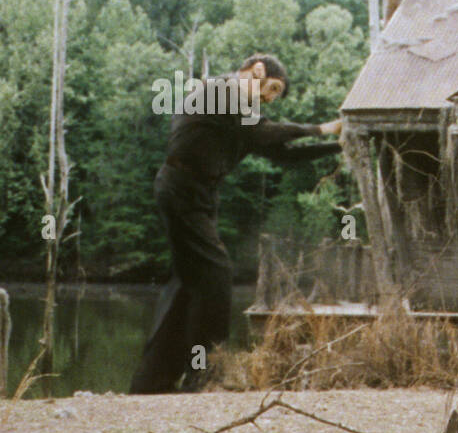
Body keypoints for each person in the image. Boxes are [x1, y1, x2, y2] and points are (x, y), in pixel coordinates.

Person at [129, 54, 343, 394]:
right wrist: (322, 128)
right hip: (182, 188)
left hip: (196, 194)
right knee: (216, 275)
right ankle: (204, 373)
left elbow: (280, 152)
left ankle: (151, 382)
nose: (271, 97)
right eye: (272, 88)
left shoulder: (240, 114)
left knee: (188, 284)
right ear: (256, 71)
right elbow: (264, 132)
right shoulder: (219, 91)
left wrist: (337, 145)